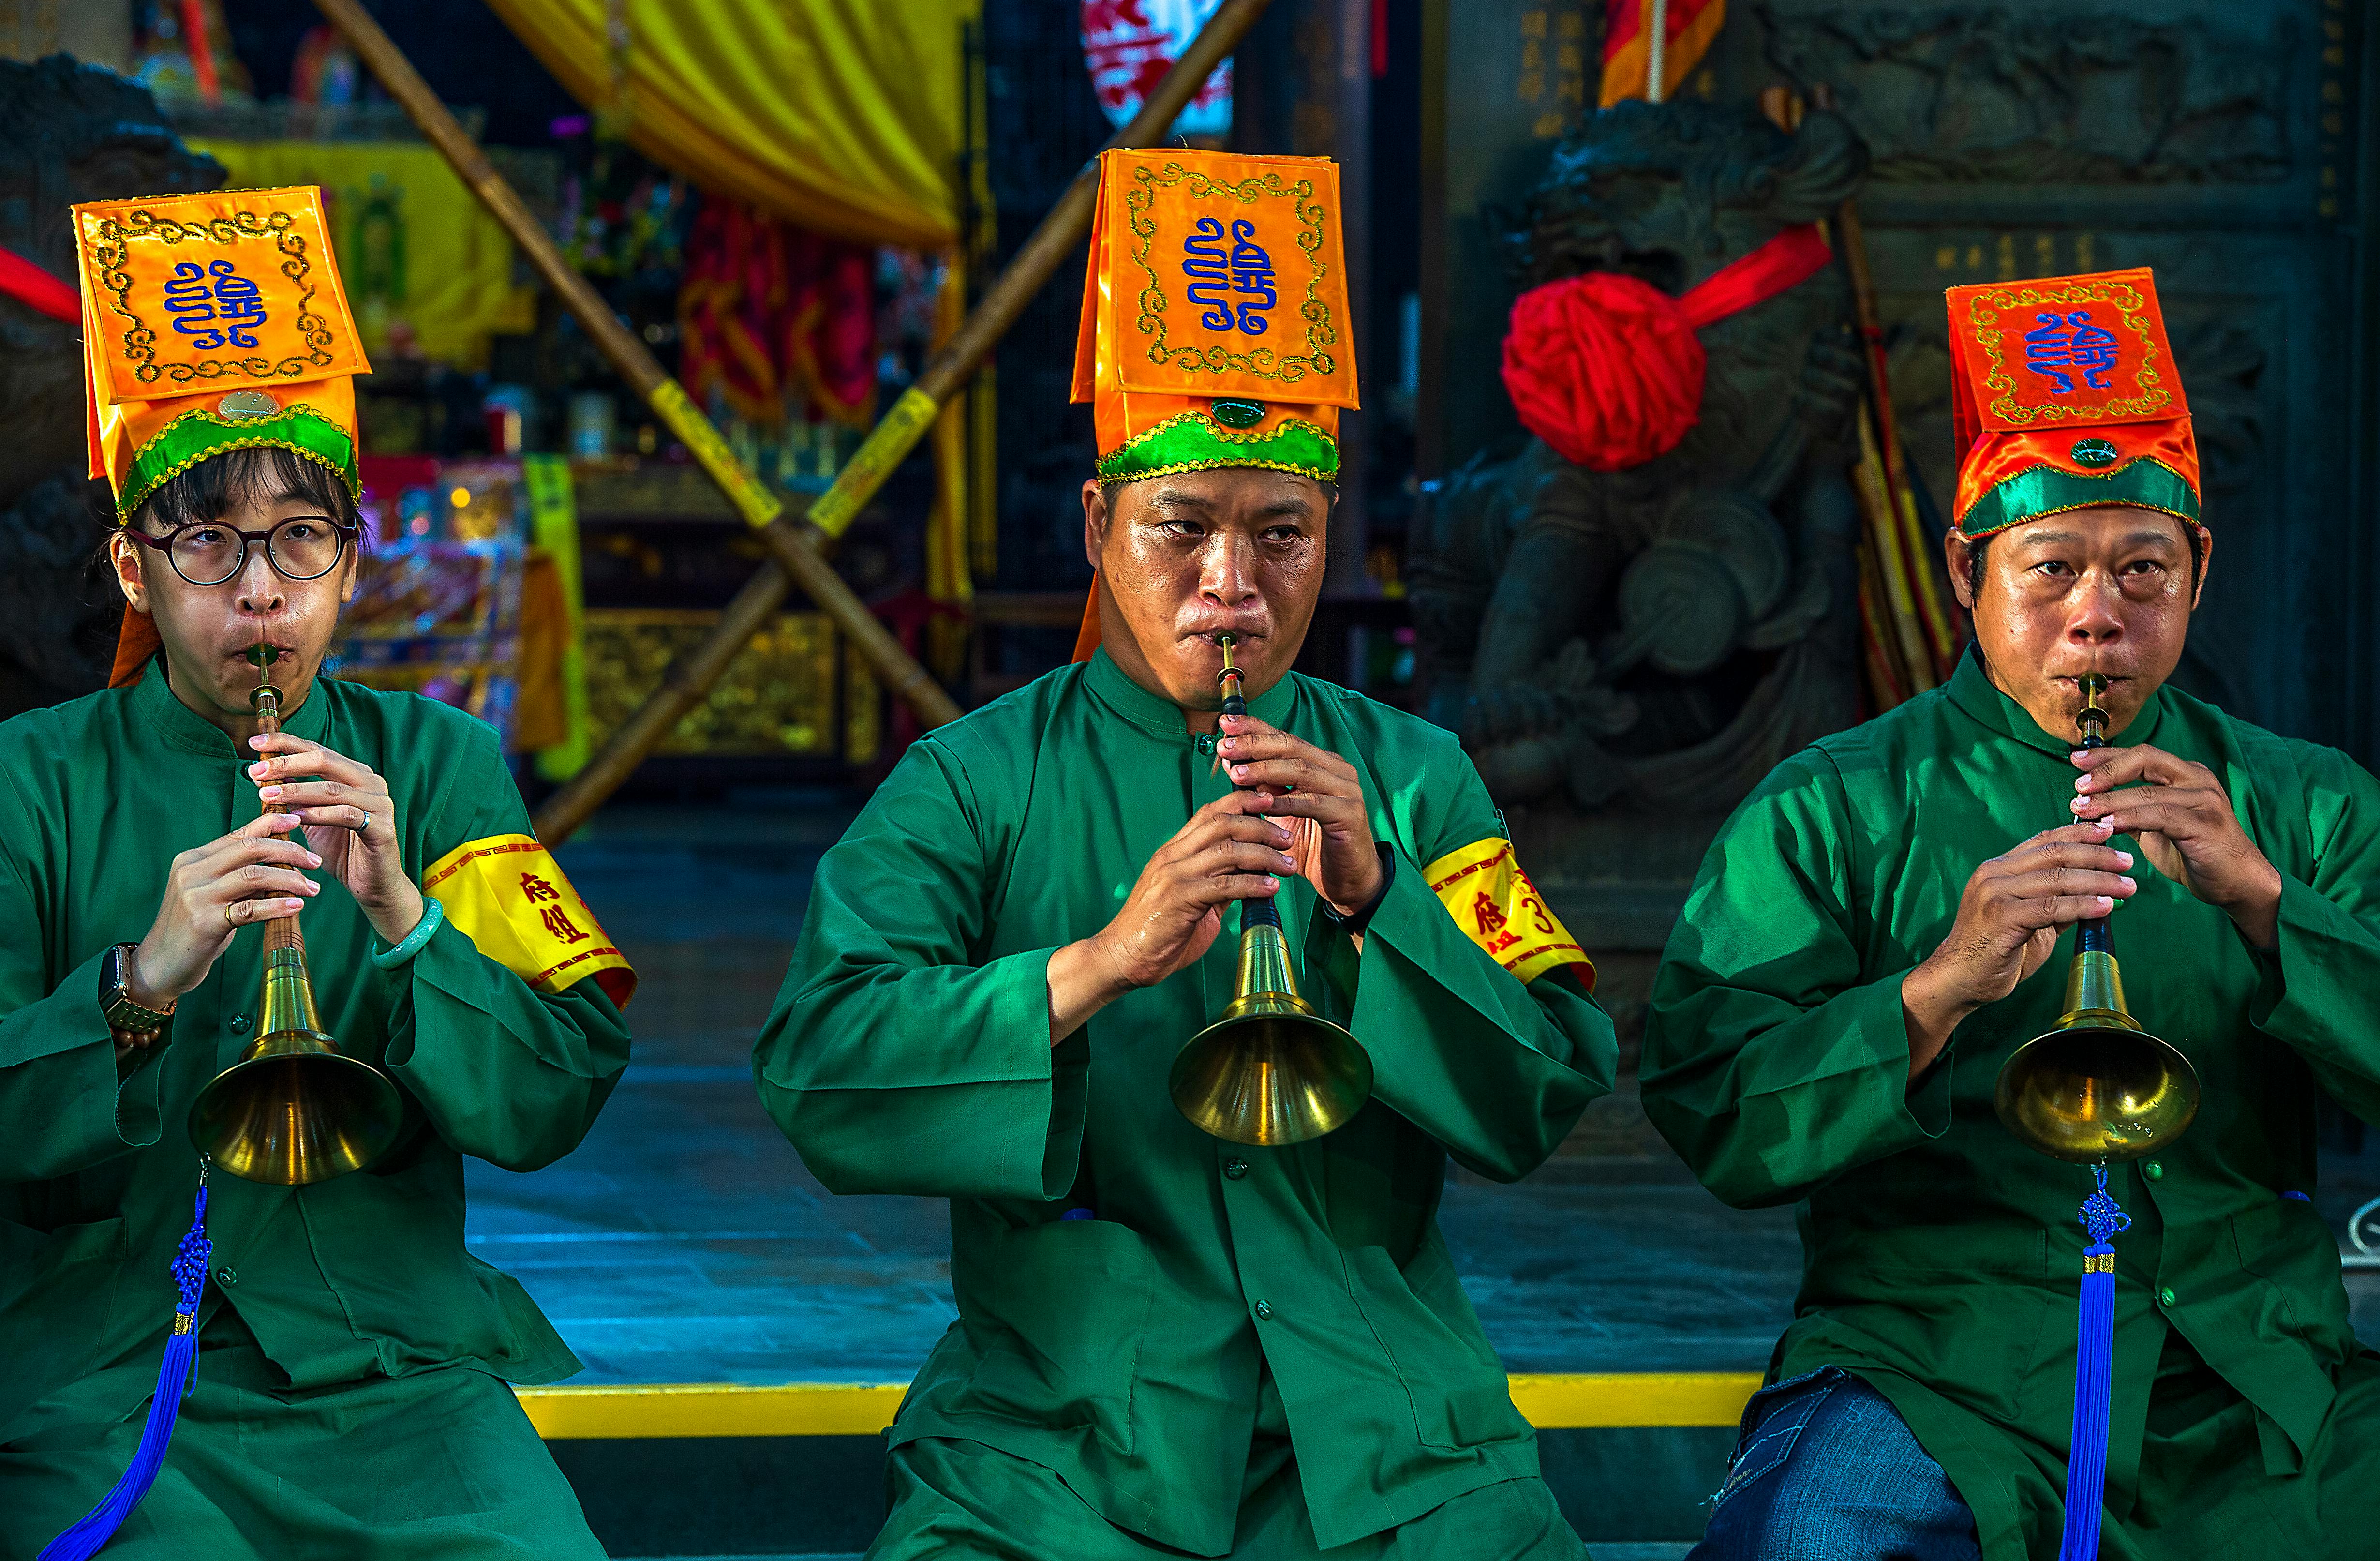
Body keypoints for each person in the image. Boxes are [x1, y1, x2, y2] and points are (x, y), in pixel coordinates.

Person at [756, 148, 1615, 1561]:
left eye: (1282, 536)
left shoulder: (1413, 776)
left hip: (1392, 1437)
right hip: (1064, 1443)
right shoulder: (971, 783)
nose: (1233, 588)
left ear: (1332, 538)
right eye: (1183, 529)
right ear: (1101, 528)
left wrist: (1379, 901)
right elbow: (816, 1067)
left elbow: (1544, 1091)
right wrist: (1095, 967)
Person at [1642, 266, 2380, 1561]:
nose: (2097, 618)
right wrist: (1936, 991)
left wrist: (2270, 910)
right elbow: (1717, 1114)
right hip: (1937, 1358)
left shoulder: (2307, 803)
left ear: (2199, 572)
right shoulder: (1835, 804)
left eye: (2142, 570)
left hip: (2253, 1364)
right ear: (1966, 571)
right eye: (2051, 571)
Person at [0, 186, 634, 1559]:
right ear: (132, 568)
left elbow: (558, 1091)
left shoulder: (442, 766)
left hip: (387, 1368)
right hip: (95, 1371)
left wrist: (406, 919)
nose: (260, 592)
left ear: (352, 561)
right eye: (207, 544)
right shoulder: (27, 779)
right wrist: (138, 982)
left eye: (301, 539)